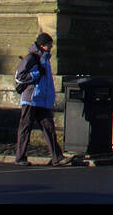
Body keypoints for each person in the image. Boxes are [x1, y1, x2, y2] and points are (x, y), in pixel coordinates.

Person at [15, 32, 72, 166]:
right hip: (31, 99)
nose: (51, 46)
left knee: (49, 128)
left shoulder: (45, 59)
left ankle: (57, 157)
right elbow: (19, 76)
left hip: (42, 99)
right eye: (49, 44)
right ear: (42, 45)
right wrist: (36, 74)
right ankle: (20, 157)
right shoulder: (31, 58)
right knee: (25, 128)